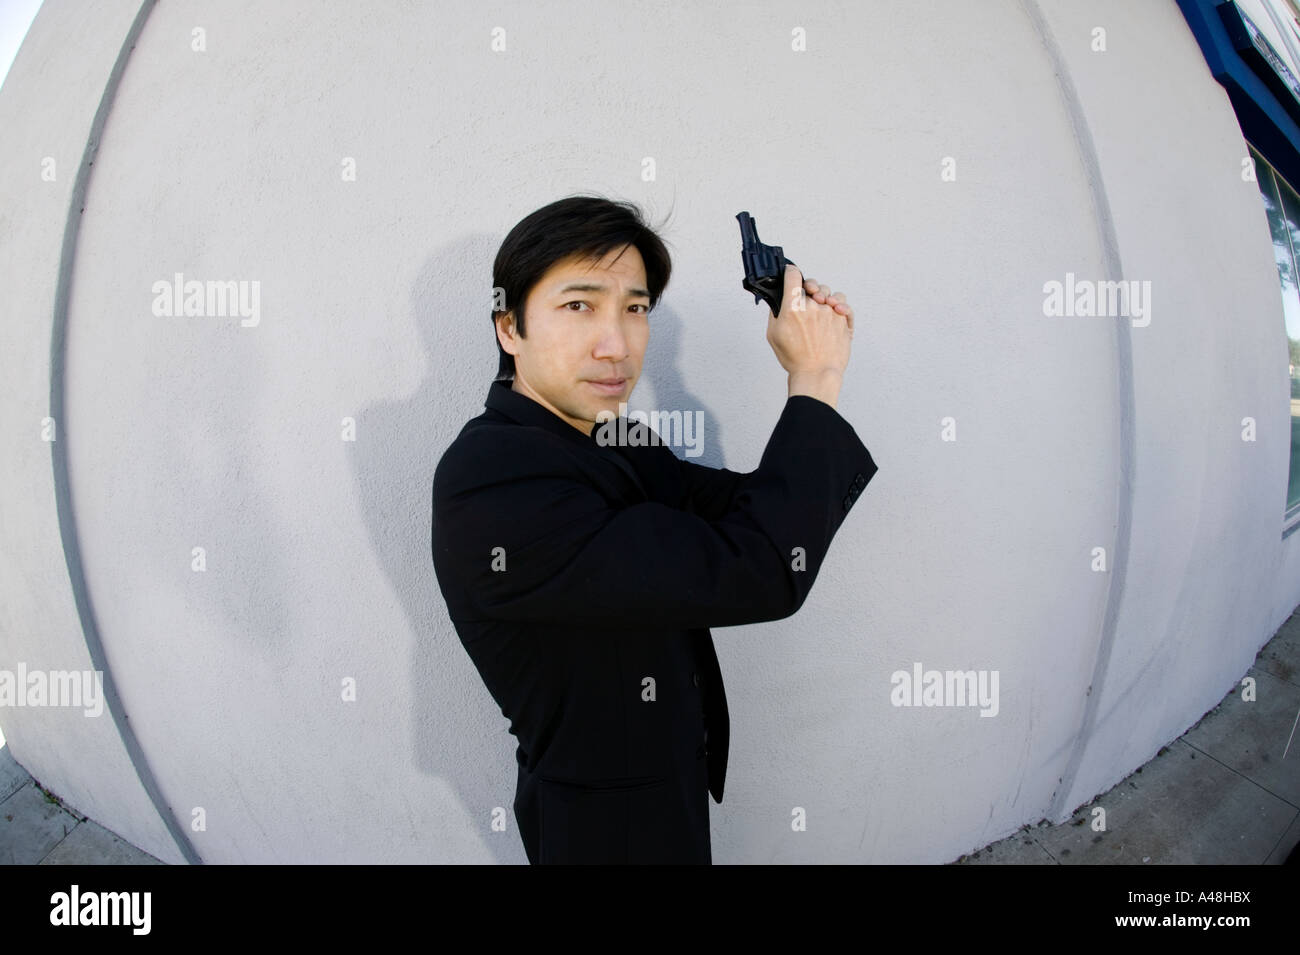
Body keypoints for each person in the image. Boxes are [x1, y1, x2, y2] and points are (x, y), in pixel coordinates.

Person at [430, 195, 877, 863]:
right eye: (578, 305)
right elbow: (760, 567)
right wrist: (814, 379)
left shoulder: (614, 437)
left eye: (635, 308)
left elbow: (749, 515)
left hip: (666, 785)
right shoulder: (490, 480)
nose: (617, 343)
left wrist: (809, 367)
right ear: (509, 327)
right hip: (603, 829)